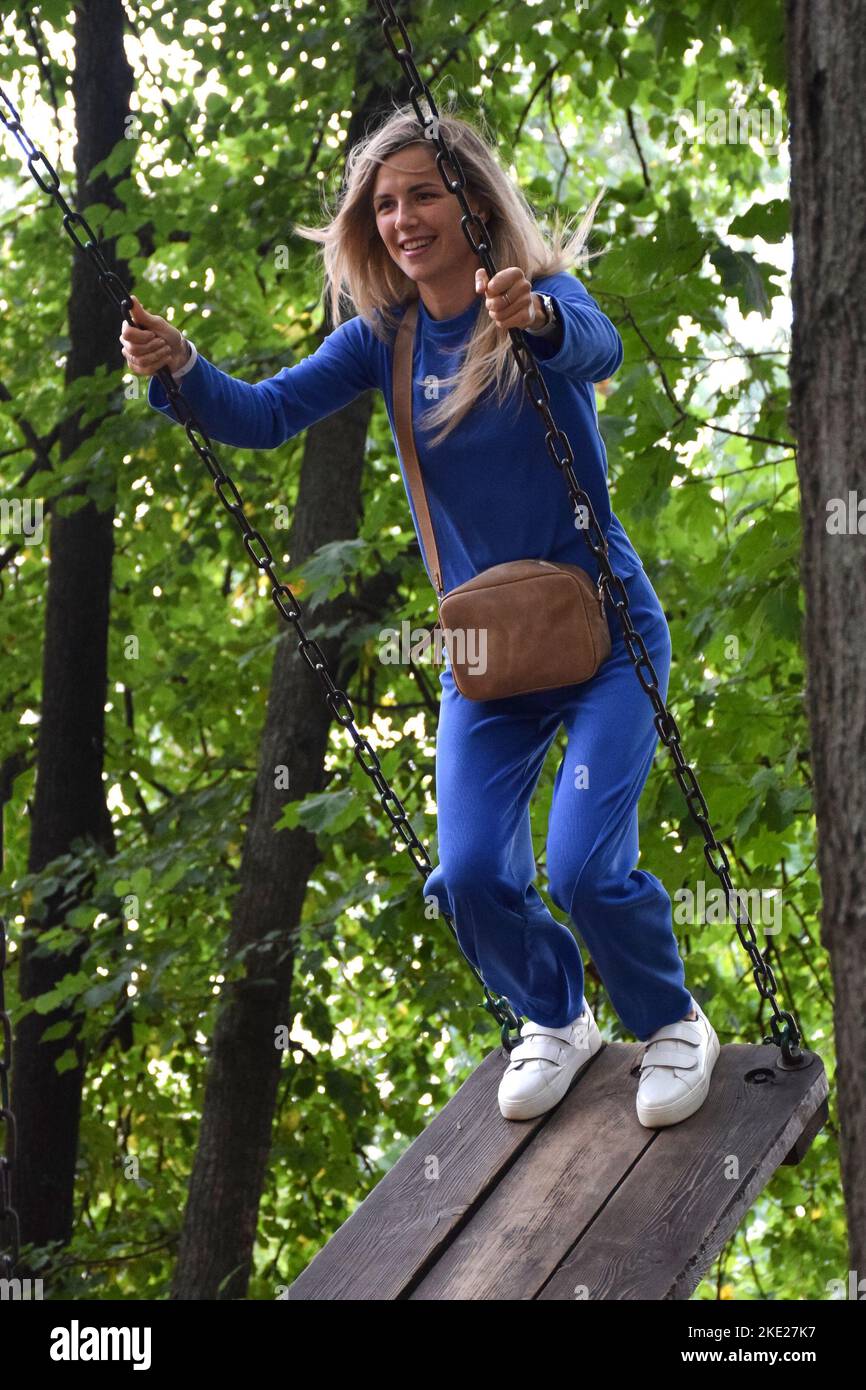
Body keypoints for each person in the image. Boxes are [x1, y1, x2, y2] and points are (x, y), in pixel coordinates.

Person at [122, 101, 719, 1128]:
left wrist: (531, 317)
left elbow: (595, 345)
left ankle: (670, 1019)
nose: (402, 218)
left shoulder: (540, 302)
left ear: (472, 204)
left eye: (423, 196)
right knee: (470, 873)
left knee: (579, 863)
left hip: (604, 634)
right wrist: (180, 368)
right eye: (385, 203)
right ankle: (556, 1016)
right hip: (487, 651)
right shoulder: (384, 340)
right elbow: (263, 416)